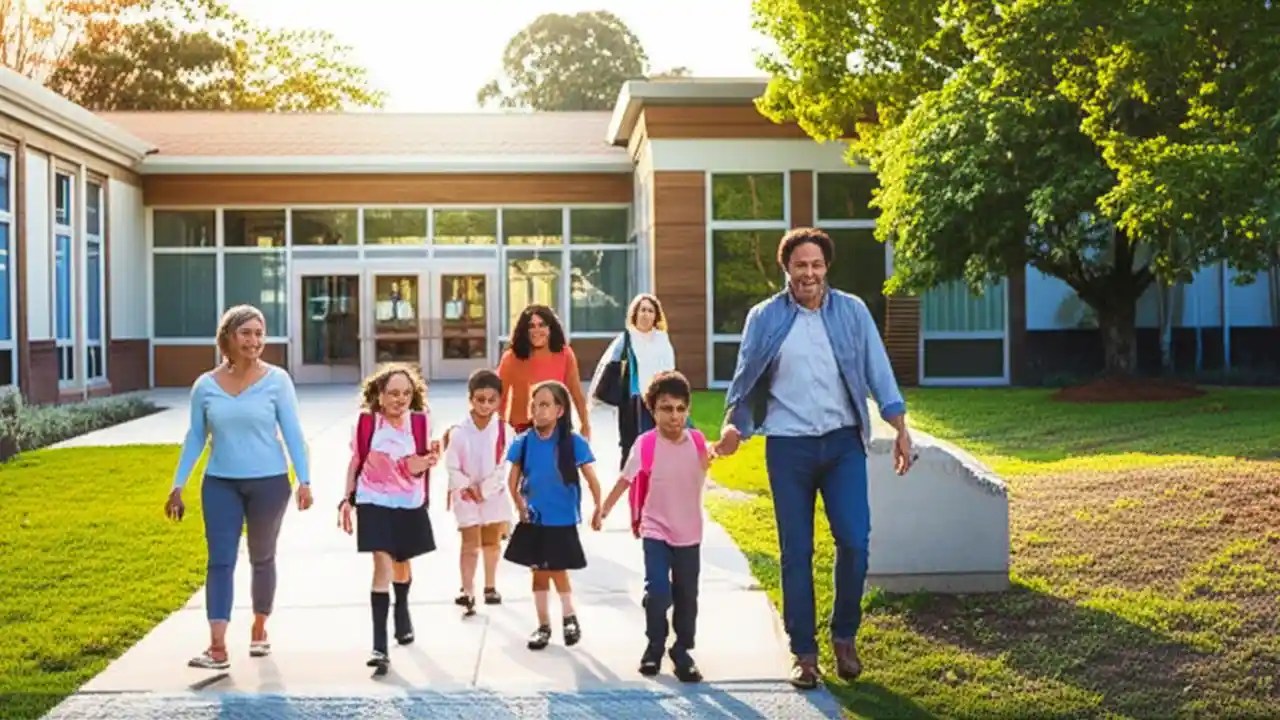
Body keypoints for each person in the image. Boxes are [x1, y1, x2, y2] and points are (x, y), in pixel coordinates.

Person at [714, 227, 915, 690]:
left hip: (842, 442)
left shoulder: (852, 311)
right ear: (786, 268)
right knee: (796, 552)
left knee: (855, 541)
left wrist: (899, 425)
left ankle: (844, 636)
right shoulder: (764, 317)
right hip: (788, 447)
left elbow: (877, 370)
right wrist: (733, 427)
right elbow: (745, 381)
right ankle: (804, 653)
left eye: (816, 264)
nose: (809, 273)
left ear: (827, 267)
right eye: (800, 265)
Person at [164, 304, 313, 670]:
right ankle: (217, 647)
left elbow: (293, 432)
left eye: (259, 333)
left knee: (262, 556)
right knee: (220, 561)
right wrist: (177, 485)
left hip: (269, 483)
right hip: (220, 484)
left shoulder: (278, 380)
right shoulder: (205, 385)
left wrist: (304, 479)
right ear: (228, 337)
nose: (254, 340)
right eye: (246, 333)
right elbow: (196, 436)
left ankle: (260, 628)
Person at [601, 370, 709, 683]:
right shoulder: (645, 444)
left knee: (687, 595)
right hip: (656, 528)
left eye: (679, 409)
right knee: (659, 592)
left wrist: (729, 443)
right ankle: (654, 645)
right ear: (653, 410)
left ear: (687, 410)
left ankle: (682, 651)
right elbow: (625, 480)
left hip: (689, 531)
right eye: (666, 408)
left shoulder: (699, 443)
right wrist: (604, 509)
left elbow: (717, 457)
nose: (674, 416)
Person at [336, 363, 439, 673]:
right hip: (373, 501)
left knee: (401, 565)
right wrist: (347, 498)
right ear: (379, 396)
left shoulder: (420, 423)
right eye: (393, 393)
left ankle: (402, 609)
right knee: (381, 563)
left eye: (406, 393)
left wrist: (428, 460)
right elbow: (356, 460)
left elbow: (416, 468)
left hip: (408, 502)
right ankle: (379, 645)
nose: (400, 399)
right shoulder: (367, 423)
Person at [502, 380, 603, 651]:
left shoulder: (573, 443)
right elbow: (512, 482)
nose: (538, 410)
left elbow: (591, 478)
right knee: (538, 572)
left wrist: (598, 507)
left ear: (559, 410)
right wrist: (520, 506)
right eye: (534, 405)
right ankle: (543, 624)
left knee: (557, 568)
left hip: (562, 518)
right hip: (534, 519)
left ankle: (569, 616)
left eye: (545, 405)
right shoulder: (523, 443)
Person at [442, 368, 514, 615]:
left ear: (499, 400)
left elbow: (503, 466)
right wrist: (466, 487)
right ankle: (467, 590)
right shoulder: (458, 432)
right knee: (469, 543)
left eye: (491, 400)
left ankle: (490, 586)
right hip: (465, 497)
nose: (485, 405)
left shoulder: (505, 431)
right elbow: (451, 465)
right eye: (479, 399)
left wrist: (484, 489)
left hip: (493, 496)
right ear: (470, 398)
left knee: (492, 542)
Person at [587, 293, 677, 467]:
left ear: (656, 316)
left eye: (650, 311)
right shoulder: (626, 338)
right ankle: (632, 483)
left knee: (657, 443)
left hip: (657, 399)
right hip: (632, 401)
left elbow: (670, 369)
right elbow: (610, 365)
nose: (646, 314)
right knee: (631, 445)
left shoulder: (662, 339)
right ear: (635, 314)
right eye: (642, 310)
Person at [497, 304, 591, 440]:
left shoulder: (565, 354)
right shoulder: (511, 357)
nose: (537, 330)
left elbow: (576, 392)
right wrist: (498, 433)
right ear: (524, 330)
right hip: (523, 430)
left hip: (557, 427)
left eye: (542, 325)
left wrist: (585, 424)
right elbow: (501, 399)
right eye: (531, 326)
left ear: (550, 328)